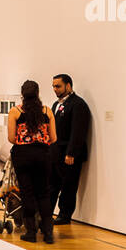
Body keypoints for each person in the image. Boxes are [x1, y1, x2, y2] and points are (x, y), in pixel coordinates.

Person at [7, 79, 57, 244]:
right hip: (43, 155)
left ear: (22, 94)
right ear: (38, 93)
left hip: (23, 155)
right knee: (44, 193)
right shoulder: (47, 111)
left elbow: (12, 138)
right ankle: (48, 233)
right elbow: (54, 138)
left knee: (27, 193)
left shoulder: (15, 112)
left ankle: (31, 232)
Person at [49, 73, 91, 225]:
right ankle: (47, 213)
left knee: (68, 185)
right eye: (53, 86)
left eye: (58, 86)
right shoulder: (56, 105)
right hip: (56, 152)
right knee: (52, 185)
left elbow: (78, 131)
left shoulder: (78, 104)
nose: (55, 89)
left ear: (68, 85)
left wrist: (71, 152)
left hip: (69, 154)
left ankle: (65, 215)